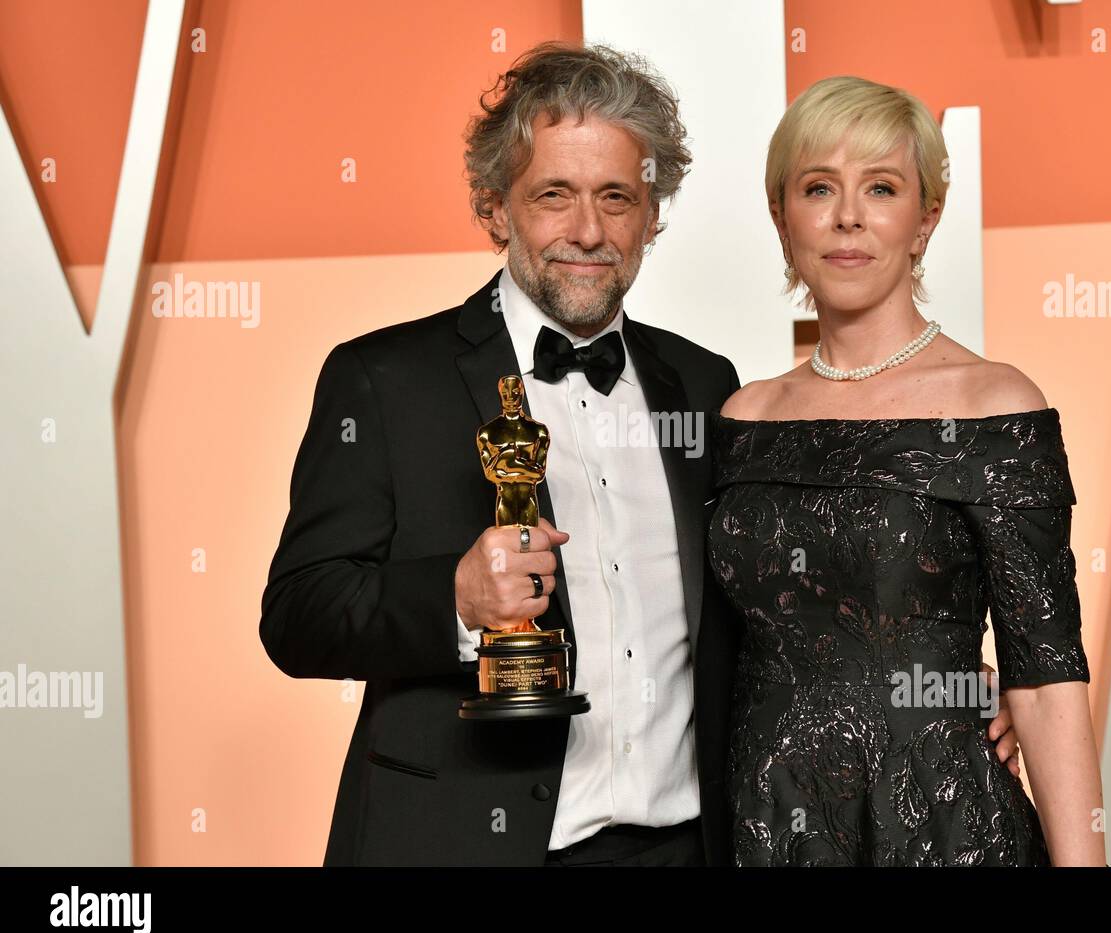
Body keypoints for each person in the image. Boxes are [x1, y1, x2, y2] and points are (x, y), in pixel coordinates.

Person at [260, 43, 1022, 867]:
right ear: (495, 209)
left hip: (689, 849)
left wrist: (927, 678)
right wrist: (455, 599)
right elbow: (297, 616)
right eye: (553, 195)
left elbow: (760, 592)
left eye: (616, 197)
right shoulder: (383, 380)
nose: (588, 231)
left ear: (652, 216)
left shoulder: (705, 386)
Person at [711, 76, 1106, 866]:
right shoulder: (743, 418)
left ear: (926, 218)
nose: (848, 216)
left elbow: (1045, 678)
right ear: (781, 215)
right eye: (818, 187)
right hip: (766, 829)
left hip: (941, 830)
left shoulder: (995, 405)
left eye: (881, 188)